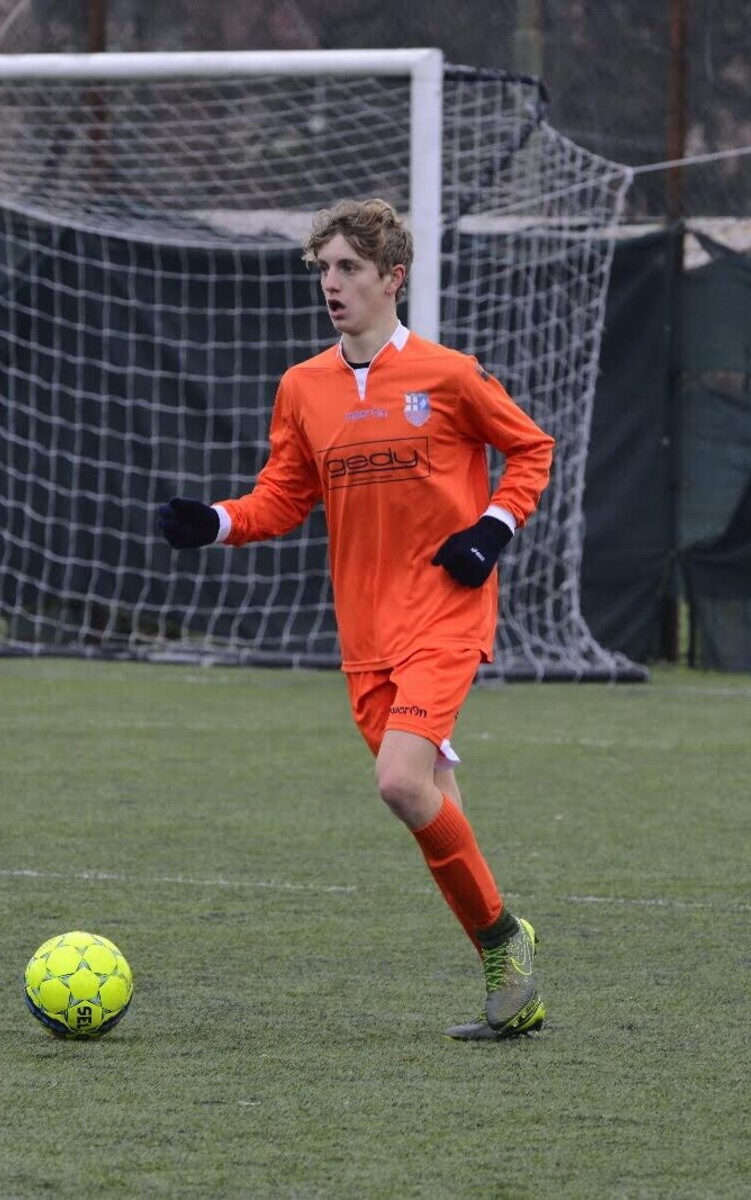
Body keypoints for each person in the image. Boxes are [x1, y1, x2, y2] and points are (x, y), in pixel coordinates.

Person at [156, 198, 554, 1040]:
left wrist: (492, 527)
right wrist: (217, 522)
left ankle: (505, 945)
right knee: (433, 801)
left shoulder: (448, 375)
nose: (331, 285)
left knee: (399, 783)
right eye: (324, 270)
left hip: (446, 614)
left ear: (391, 278)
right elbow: (283, 498)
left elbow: (531, 449)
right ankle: (506, 954)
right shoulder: (304, 387)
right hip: (364, 632)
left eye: (348, 270)